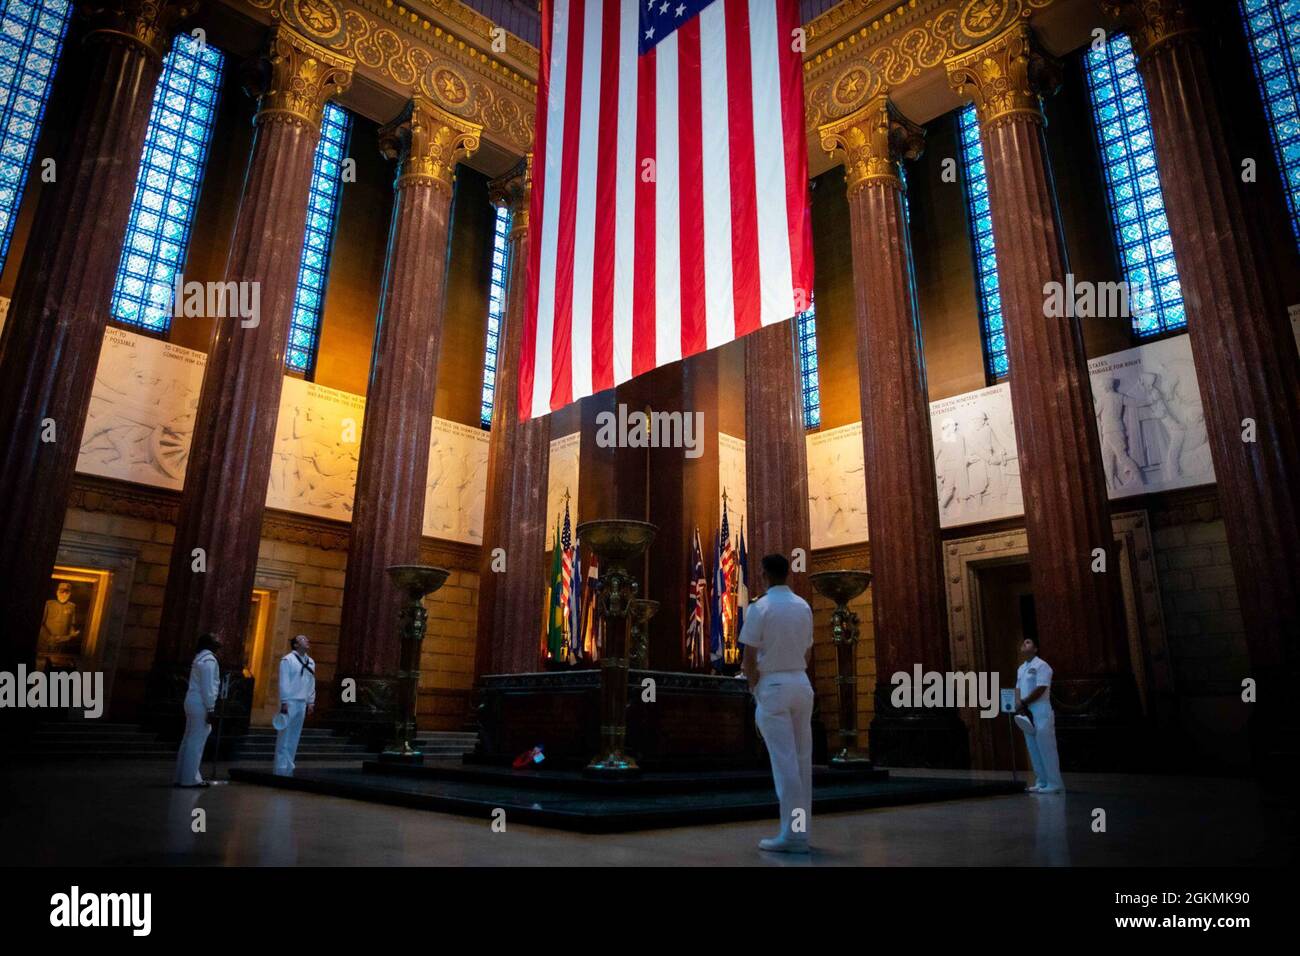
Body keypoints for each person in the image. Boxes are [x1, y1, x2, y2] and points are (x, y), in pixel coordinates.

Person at [740, 554, 815, 854]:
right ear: (788, 574)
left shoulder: (761, 607)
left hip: (773, 685)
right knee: (801, 762)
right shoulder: (803, 606)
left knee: (784, 763)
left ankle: (792, 836)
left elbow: (748, 659)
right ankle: (800, 831)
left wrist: (755, 688)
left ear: (763, 575)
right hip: (801, 684)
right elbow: (808, 652)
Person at [1014, 636, 1065, 794]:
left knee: (1046, 746)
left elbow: (1041, 687)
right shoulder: (1021, 668)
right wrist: (1018, 704)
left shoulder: (1042, 666)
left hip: (1040, 708)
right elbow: (1017, 688)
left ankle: (1054, 782)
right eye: (1024, 642)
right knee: (1033, 747)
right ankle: (1041, 781)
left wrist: (1024, 702)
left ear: (1035, 648)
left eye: (1028, 642)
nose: (1024, 643)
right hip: (1026, 710)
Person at [174, 633, 221, 788]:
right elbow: (208, 687)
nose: (219, 640)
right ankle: (190, 779)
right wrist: (211, 708)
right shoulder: (209, 660)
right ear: (209, 643)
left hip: (192, 701)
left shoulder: (199, 657)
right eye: (215, 639)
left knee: (188, 739)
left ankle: (181, 776)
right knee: (196, 741)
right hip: (201, 703)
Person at [275, 634, 316, 776]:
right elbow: (284, 681)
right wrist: (284, 700)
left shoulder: (311, 662)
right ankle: (280, 767)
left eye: (306, 639)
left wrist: (311, 701)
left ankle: (289, 765)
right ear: (296, 645)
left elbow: (311, 683)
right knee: (284, 735)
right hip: (290, 701)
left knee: (294, 735)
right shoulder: (288, 660)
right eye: (303, 639)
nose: (307, 641)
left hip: (302, 702)